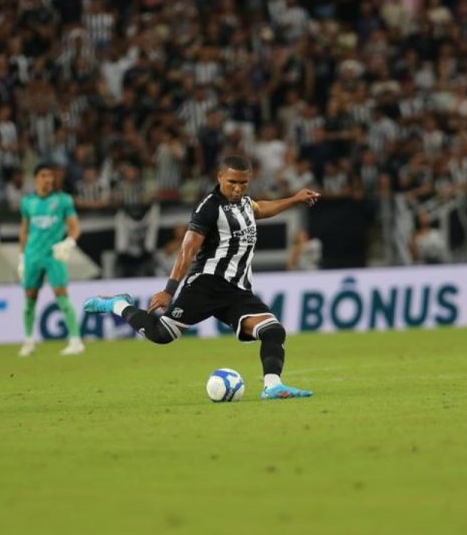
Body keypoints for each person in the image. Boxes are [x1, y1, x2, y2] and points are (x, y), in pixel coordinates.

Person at [83, 156, 320, 400]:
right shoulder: (209, 207)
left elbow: (260, 208)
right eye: (232, 182)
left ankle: (272, 386)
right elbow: (187, 250)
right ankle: (118, 304)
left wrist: (294, 199)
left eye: (243, 183)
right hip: (206, 285)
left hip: (237, 291)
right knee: (161, 335)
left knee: (272, 330)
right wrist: (169, 290)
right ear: (219, 178)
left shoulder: (244, 203)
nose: (238, 188)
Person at [18, 163, 84, 357]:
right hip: (32, 256)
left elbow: (74, 227)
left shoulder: (63, 200)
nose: (48, 179)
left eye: (51, 176)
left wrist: (69, 242)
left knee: (62, 296)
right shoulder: (27, 202)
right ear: (36, 178)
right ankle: (28, 341)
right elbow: (24, 231)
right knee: (29, 299)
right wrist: (22, 257)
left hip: (54, 255)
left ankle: (75, 340)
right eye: (44, 176)